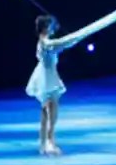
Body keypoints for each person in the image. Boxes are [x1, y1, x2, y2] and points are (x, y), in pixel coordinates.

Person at [25, 15, 79, 156]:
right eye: (50, 25)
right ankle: (49, 142)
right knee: (50, 111)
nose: (52, 27)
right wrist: (73, 38)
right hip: (46, 77)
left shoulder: (46, 42)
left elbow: (60, 45)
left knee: (47, 111)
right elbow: (58, 44)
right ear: (44, 27)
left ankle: (45, 143)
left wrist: (73, 39)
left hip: (47, 75)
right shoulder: (45, 42)